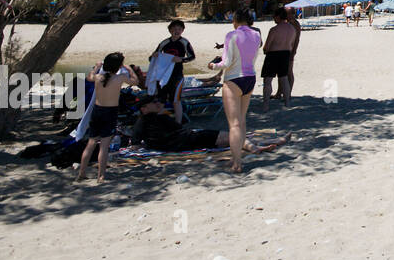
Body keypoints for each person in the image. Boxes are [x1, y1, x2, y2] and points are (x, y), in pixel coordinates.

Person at [132, 96, 291, 155]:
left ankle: (266, 143)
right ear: (144, 109)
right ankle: (256, 148)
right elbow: (179, 129)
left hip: (177, 143)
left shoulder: (147, 121)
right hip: (185, 140)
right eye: (154, 102)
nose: (158, 103)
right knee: (228, 136)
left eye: (158, 101)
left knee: (230, 139)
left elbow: (135, 142)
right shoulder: (151, 120)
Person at [210, 7, 262, 173]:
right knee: (242, 120)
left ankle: (237, 163)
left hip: (234, 79)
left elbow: (226, 62)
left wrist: (212, 66)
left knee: (234, 124)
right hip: (250, 77)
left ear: (236, 20)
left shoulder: (231, 35)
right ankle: (236, 158)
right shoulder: (256, 35)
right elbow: (253, 58)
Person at [76, 53, 141, 183]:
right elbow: (136, 81)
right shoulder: (119, 78)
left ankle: (81, 173)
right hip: (110, 112)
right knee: (104, 146)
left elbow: (89, 77)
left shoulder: (98, 77)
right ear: (118, 67)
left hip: (97, 111)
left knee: (91, 143)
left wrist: (96, 67)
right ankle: (101, 176)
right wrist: (129, 69)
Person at [262, 6, 296, 109]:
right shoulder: (292, 29)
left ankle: (266, 105)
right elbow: (292, 44)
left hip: (273, 55)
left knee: (268, 81)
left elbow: (267, 46)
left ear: (278, 17)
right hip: (285, 54)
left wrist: (265, 50)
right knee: (284, 79)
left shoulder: (274, 29)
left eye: (274, 17)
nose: (273, 19)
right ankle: (287, 103)